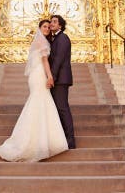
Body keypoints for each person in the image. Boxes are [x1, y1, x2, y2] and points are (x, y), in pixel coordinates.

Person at [0, 20, 68, 162]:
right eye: (44, 27)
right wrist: (50, 76)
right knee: (40, 102)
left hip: (36, 75)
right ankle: (36, 142)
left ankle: (41, 140)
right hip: (39, 75)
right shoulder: (42, 42)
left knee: (39, 103)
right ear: (39, 28)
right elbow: (45, 61)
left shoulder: (39, 41)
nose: (47, 29)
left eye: (48, 27)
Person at [48, 14, 76, 149]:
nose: (51, 24)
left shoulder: (63, 38)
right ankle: (63, 137)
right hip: (57, 78)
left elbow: (58, 59)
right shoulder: (54, 39)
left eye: (54, 22)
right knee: (58, 109)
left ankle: (70, 140)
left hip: (61, 79)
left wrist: (51, 77)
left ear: (60, 25)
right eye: (51, 22)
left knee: (62, 108)